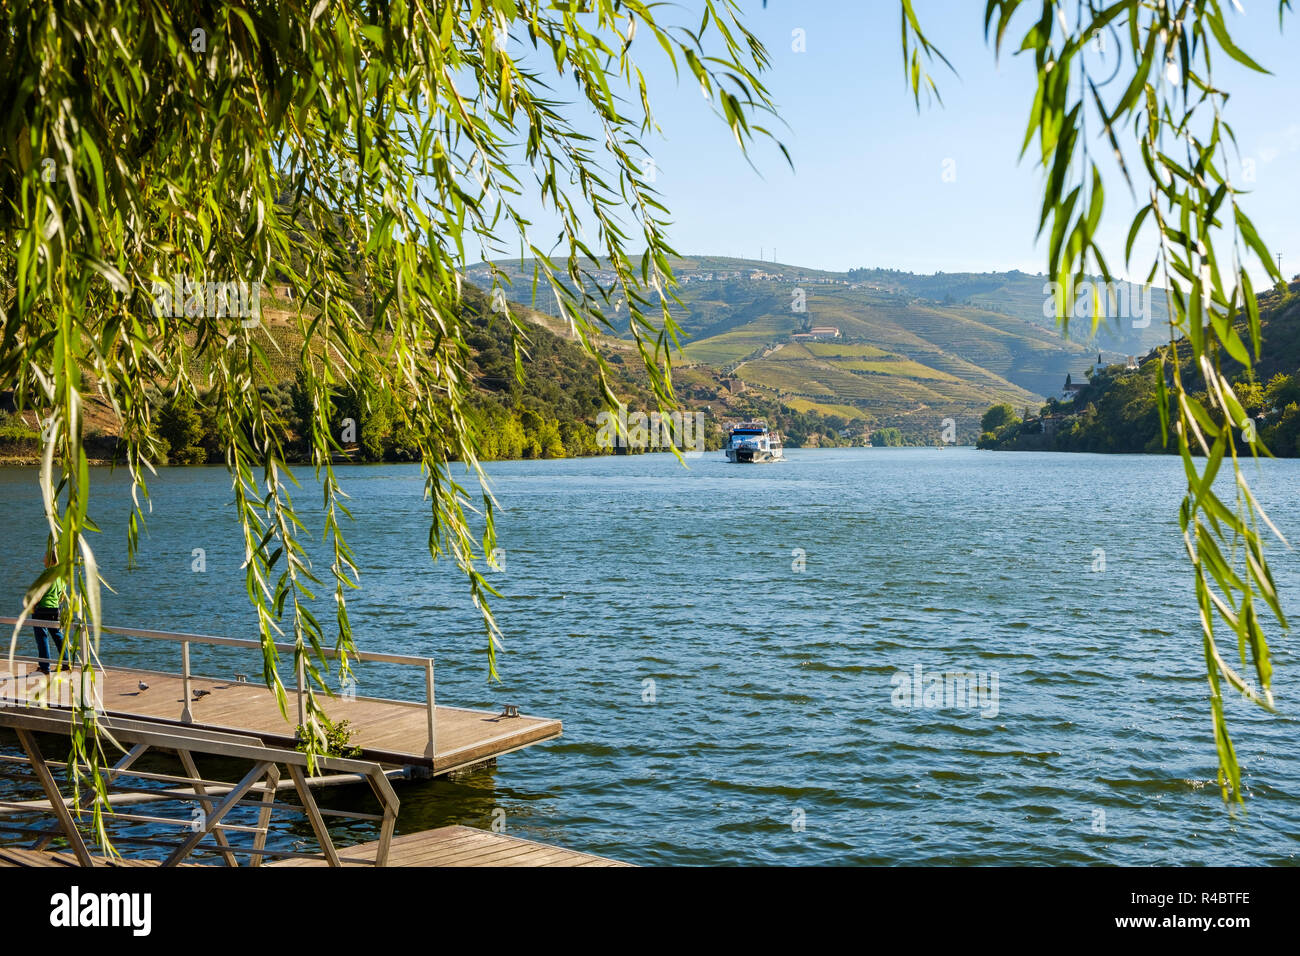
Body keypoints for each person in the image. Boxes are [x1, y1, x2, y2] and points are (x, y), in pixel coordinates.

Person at [31, 551, 67, 676]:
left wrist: (32, 606)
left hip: (42, 610)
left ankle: (45, 666)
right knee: (58, 636)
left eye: (45, 557)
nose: (43, 560)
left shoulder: (46, 574)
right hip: (55, 610)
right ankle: (67, 662)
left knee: (42, 638)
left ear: (51, 560)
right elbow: (62, 595)